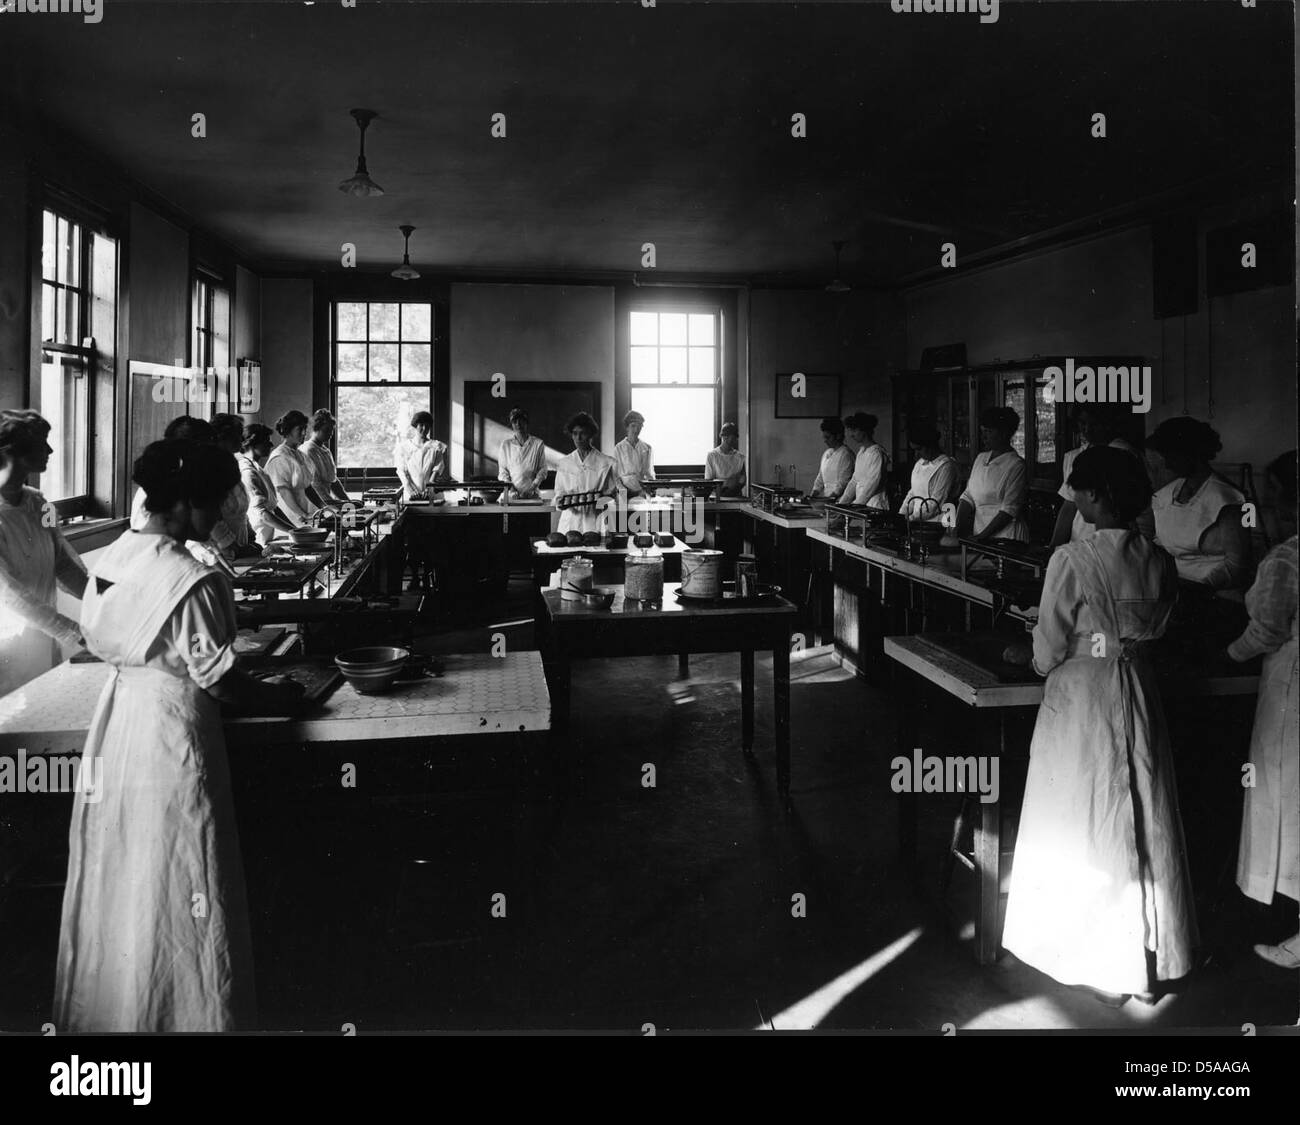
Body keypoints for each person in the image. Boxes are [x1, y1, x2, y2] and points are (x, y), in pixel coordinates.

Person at [55, 440, 309, 1032]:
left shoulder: (113, 560)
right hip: (174, 737)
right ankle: (189, 1015)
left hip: (118, 732)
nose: (223, 515)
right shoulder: (190, 579)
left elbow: (102, 638)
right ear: (189, 501)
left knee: (126, 873)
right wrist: (283, 694)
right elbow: (221, 681)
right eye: (218, 503)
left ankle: (123, 1016)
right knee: (184, 872)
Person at [1001, 446, 1195, 1003]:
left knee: (1086, 816)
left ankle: (1101, 958)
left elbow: (1049, 646)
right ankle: (1153, 950)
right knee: (1141, 808)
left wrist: (1031, 659)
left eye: (1080, 493)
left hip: (1085, 695)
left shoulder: (1072, 558)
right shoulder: (1158, 557)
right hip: (1138, 687)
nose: (1077, 503)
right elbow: (1155, 628)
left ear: (1096, 497)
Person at [1226, 450, 1298, 969]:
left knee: (1290, 805)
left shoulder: (1286, 558)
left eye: (1272, 500)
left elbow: (1267, 630)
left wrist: (1226, 653)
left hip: (1292, 691)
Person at [0, 410, 88, 696]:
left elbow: (63, 564)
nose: (50, 450)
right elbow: (8, 594)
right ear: (13, 451)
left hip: (41, 638)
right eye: (42, 442)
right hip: (7, 645)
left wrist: (109, 600)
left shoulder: (38, 503)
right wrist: (75, 633)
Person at [1141, 416, 1249, 590]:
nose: (1167, 465)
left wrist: (1199, 590)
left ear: (1192, 453)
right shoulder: (1167, 495)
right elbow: (1161, 544)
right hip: (1175, 586)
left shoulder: (1229, 499)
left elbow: (1237, 565)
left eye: (1172, 456)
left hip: (1217, 592)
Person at [1051, 404, 1144, 547]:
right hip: (1079, 541)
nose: (1087, 429)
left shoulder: (1123, 453)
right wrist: (1054, 546)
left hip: (1114, 542)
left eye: (1094, 424)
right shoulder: (1076, 456)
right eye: (1082, 423)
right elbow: (1069, 505)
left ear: (1106, 424)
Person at [955, 407, 1029, 542]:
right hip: (980, 536)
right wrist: (956, 528)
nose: (983, 437)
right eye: (983, 431)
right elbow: (968, 496)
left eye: (988, 432)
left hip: (1006, 539)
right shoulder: (980, 459)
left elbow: (1009, 509)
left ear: (1004, 434)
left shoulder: (1016, 465)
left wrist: (982, 537)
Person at [553, 412, 617, 535]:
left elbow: (612, 497)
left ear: (591, 435)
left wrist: (602, 500)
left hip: (595, 521)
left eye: (583, 433)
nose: (578, 438)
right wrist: (560, 502)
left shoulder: (606, 462)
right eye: (575, 433)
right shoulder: (564, 463)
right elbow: (559, 492)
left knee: (594, 551)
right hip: (570, 522)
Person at [236, 423, 297, 547]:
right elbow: (263, 514)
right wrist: (295, 532)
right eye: (266, 441)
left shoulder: (258, 469)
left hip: (267, 538)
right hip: (258, 539)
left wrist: (296, 530)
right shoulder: (247, 472)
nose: (271, 445)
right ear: (253, 443)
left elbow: (274, 508)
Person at [265, 410, 319, 526]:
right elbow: (284, 493)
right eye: (300, 429)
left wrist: (325, 507)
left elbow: (308, 487)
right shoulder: (279, 457)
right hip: (290, 516)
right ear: (288, 431)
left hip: (306, 514)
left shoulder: (300, 455)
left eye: (305, 428)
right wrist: (303, 515)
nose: (304, 433)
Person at [897, 419, 958, 522]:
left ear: (930, 446)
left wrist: (911, 519)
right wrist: (902, 514)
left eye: (919, 449)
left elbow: (936, 502)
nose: (916, 454)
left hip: (940, 522)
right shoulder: (920, 464)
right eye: (914, 450)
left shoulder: (946, 466)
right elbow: (913, 493)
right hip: (919, 521)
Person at [394, 411, 450, 501]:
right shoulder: (404, 447)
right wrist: (410, 489)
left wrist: (429, 488)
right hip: (411, 493)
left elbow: (436, 470)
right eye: (421, 425)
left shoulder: (436, 447)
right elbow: (402, 472)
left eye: (427, 426)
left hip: (432, 494)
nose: (424, 429)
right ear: (415, 426)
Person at [838, 413, 890, 509]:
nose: (851, 435)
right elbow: (854, 480)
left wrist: (857, 504)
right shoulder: (861, 452)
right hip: (862, 504)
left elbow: (873, 483)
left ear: (864, 431)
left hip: (875, 504)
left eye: (854, 431)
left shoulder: (877, 453)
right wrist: (842, 502)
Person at [300, 409, 351, 508]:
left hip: (327, 502)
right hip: (315, 505)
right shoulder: (308, 451)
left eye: (332, 430)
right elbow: (316, 487)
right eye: (327, 430)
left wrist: (349, 502)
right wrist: (336, 506)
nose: (331, 433)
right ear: (316, 429)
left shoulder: (325, 451)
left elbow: (334, 482)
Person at [497, 407, 547, 498]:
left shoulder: (538, 444)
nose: (518, 424)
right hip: (511, 495)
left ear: (526, 422)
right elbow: (503, 472)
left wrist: (532, 488)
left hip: (532, 494)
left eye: (521, 421)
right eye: (514, 422)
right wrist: (512, 490)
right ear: (511, 424)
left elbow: (542, 470)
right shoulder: (506, 445)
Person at [809, 417, 854, 500]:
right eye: (824, 437)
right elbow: (820, 478)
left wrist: (830, 499)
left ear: (838, 436)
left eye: (828, 437)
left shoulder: (846, 454)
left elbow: (843, 482)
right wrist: (813, 495)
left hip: (840, 500)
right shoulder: (827, 453)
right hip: (827, 499)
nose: (825, 440)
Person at [613, 410, 655, 496]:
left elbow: (649, 474)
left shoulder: (647, 448)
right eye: (633, 426)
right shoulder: (618, 448)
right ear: (627, 427)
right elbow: (615, 476)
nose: (636, 430)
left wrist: (650, 489)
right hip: (624, 492)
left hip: (642, 491)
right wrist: (623, 491)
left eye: (639, 426)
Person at [705, 422, 746, 496]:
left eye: (735, 437)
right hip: (718, 497)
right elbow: (709, 481)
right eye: (732, 437)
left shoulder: (740, 457)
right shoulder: (712, 455)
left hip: (736, 496)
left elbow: (742, 480)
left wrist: (732, 491)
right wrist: (723, 491)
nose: (735, 440)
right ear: (724, 437)